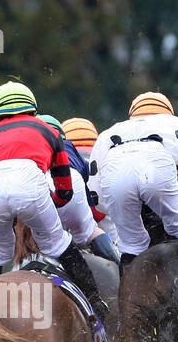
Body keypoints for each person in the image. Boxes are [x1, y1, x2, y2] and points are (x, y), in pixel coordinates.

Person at [0, 81, 108, 320]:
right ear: (32, 110)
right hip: (29, 185)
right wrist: (56, 200)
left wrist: (2, 212)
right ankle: (96, 303)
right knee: (58, 244)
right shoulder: (46, 130)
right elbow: (63, 178)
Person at [87, 91, 178, 273]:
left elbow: (97, 197)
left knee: (131, 246)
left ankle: (124, 297)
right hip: (156, 167)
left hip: (116, 172)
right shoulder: (174, 123)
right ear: (168, 113)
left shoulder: (109, 133)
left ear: (131, 117)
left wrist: (122, 209)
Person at [37, 114, 121, 267]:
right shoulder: (98, 157)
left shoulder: (38, 147)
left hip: (39, 192)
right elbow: (98, 210)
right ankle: (120, 269)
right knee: (100, 233)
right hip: (79, 196)